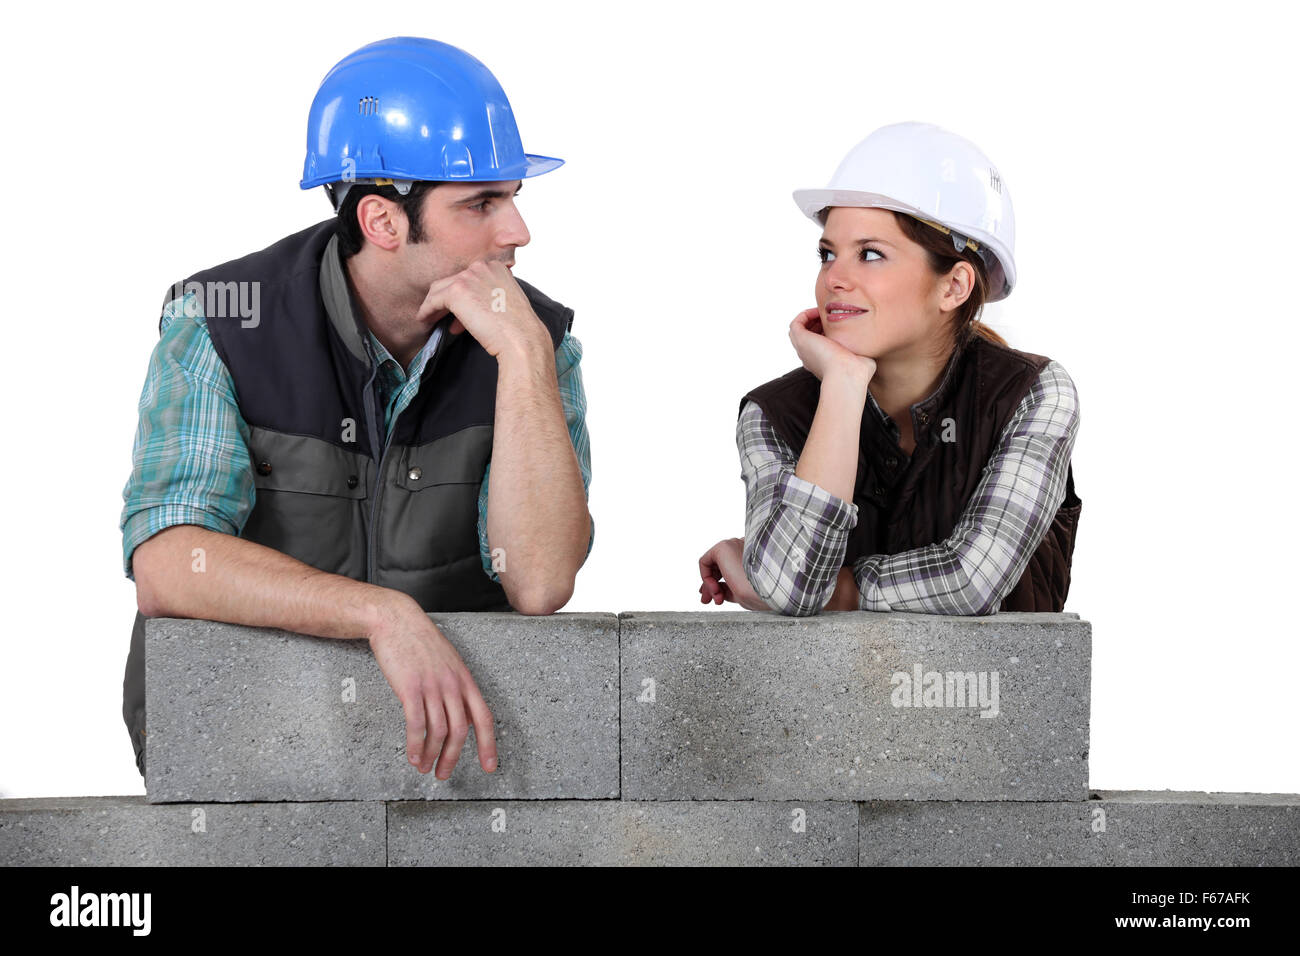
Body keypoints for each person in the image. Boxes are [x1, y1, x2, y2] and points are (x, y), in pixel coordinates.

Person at [120, 37, 594, 779]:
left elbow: (538, 583)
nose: (518, 232)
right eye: (482, 203)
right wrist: (379, 613)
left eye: (513, 198)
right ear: (382, 221)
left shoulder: (535, 343)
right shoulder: (220, 324)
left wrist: (526, 363)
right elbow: (170, 563)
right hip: (245, 746)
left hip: (445, 762)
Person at [699, 121, 1080, 617]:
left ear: (954, 287)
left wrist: (842, 591)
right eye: (827, 254)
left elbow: (971, 580)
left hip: (987, 695)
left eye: (871, 254)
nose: (834, 278)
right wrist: (842, 383)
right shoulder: (772, 413)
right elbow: (789, 587)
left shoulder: (1032, 395)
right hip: (824, 695)